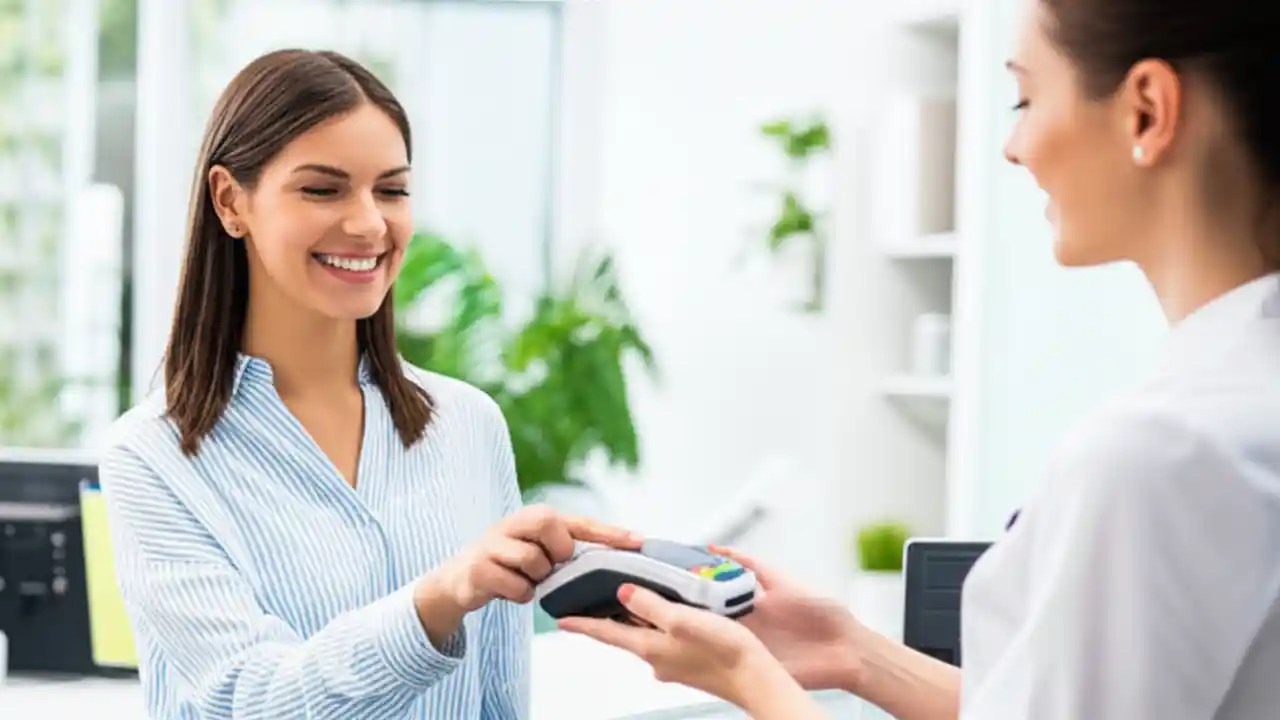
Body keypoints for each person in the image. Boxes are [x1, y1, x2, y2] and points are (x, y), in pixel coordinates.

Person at [562, 0, 1280, 717]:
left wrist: (752, 683)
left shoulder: (1159, 452)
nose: (1013, 146)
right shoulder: (1235, 407)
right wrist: (856, 654)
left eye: (1025, 98)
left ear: (1147, 111)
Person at [98, 49, 638, 720]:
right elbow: (250, 700)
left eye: (391, 190)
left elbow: (501, 697)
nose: (368, 224)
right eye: (322, 189)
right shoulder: (152, 458)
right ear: (230, 200)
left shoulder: (467, 424)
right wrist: (441, 597)